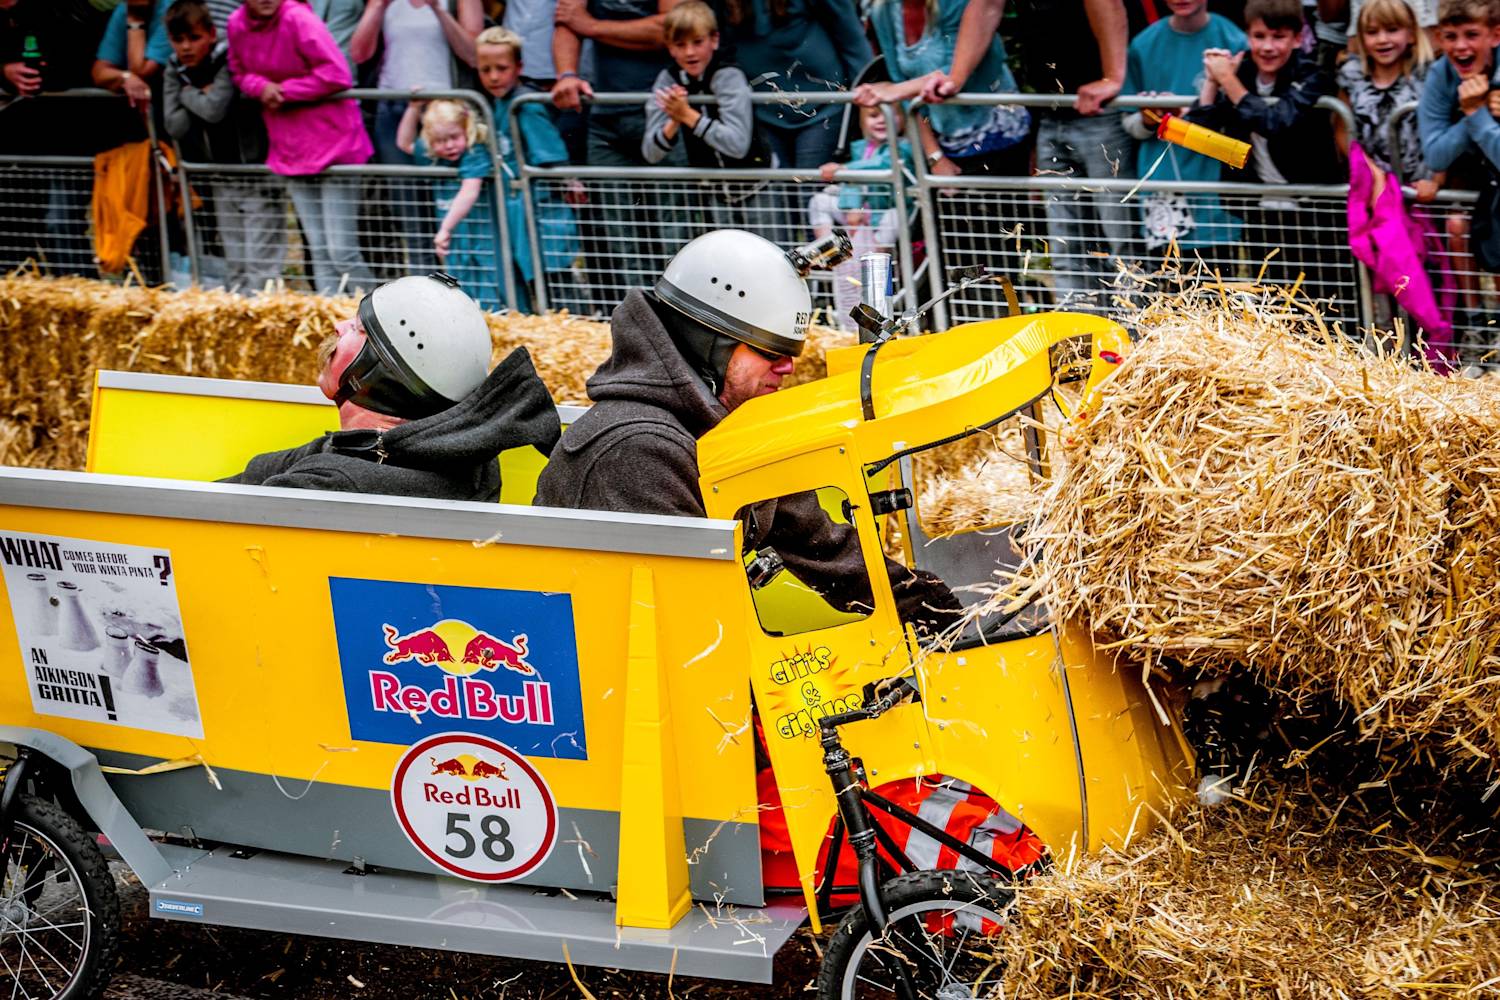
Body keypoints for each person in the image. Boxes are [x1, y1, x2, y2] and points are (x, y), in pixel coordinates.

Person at [533, 229, 963, 637]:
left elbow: (823, 549)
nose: (788, 367)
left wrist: (934, 607)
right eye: (769, 352)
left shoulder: (717, 430)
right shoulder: (637, 453)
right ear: (710, 346)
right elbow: (688, 627)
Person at [225, 273, 561, 498]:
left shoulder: (333, 485)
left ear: (377, 374)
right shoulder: (464, 454)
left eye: (358, 329)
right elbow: (319, 454)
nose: (338, 326)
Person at [923, 0, 1137, 309]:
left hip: (1101, 112)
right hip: (1050, 111)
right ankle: (1076, 338)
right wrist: (955, 78)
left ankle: (1138, 339)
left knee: (1121, 241)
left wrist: (1113, 77)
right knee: (1066, 247)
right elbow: (985, 6)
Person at [1187, 0, 1347, 304]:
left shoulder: (1312, 75)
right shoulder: (1242, 72)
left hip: (1313, 213)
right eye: (1260, 37)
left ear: (1298, 38)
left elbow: (1276, 121)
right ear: (1248, 37)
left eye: (1279, 37)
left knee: (1322, 302)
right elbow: (1200, 137)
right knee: (1272, 299)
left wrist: (1228, 81)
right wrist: (1211, 81)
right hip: (1260, 210)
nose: (1268, 47)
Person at [230, 0, 376, 296]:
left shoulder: (298, 18)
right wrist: (260, 87)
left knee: (341, 251)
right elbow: (239, 71)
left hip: (334, 143)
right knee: (319, 250)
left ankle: (380, 321)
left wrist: (284, 92)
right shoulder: (237, 24)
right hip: (291, 147)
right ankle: (332, 328)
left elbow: (337, 74)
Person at [351, 0, 483, 275]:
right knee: (409, 209)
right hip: (396, 109)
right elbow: (359, 54)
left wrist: (438, 10)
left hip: (448, 112)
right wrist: (376, 7)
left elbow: (474, 55)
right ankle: (425, 288)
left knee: (457, 204)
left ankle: (468, 285)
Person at [162, 0, 284, 294]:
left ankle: (265, 314)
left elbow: (216, 108)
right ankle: (241, 318)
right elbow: (174, 124)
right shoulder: (174, 68)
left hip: (254, 169)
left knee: (261, 260)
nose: (186, 48)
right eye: (178, 40)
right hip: (218, 172)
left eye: (194, 38)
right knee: (236, 260)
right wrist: (197, 95)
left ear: (211, 35)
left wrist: (186, 95)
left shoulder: (228, 60)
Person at [1119, 0, 1247, 253]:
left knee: (1222, 282)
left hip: (1217, 189)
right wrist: (1149, 119)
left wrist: (1189, 119)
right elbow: (1129, 121)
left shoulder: (1236, 40)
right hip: (1163, 185)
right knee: (1170, 286)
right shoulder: (1142, 45)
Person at [478, 25, 580, 312]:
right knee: (533, 275)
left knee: (553, 277)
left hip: (540, 209)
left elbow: (548, 149)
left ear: (518, 67)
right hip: (518, 209)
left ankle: (570, 323)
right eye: (485, 70)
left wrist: (568, 179)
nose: (494, 76)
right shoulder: (498, 103)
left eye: (501, 68)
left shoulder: (526, 105)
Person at [642, 1, 771, 229]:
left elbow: (737, 144)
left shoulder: (728, 74)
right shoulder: (667, 79)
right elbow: (650, 153)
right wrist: (673, 120)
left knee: (768, 256)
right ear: (670, 47)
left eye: (697, 42)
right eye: (680, 45)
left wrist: (687, 114)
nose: (689, 52)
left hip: (757, 188)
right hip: (713, 195)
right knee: (723, 261)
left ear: (714, 40)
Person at [1418, 0, 1500, 351]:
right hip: (1474, 177)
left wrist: (1475, 116)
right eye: (1451, 37)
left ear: (1495, 35)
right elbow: (1434, 152)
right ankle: (1477, 324)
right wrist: (1476, 115)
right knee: (1456, 226)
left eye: (1471, 35)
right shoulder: (1440, 74)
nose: (1461, 46)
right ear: (1438, 38)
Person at [723, 0, 871, 171]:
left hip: (820, 107)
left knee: (810, 188)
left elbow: (851, 36)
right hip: (762, 111)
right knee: (778, 193)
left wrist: (866, 87)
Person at [809, 103, 914, 331]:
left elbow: (883, 165)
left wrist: (844, 168)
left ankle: (876, 262)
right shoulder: (860, 147)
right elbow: (853, 183)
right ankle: (829, 251)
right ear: (863, 121)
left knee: (892, 218)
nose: (880, 121)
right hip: (865, 212)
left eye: (888, 116)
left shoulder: (904, 147)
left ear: (902, 119)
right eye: (873, 116)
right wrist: (851, 208)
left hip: (888, 211)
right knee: (819, 201)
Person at [397, 99, 502, 310]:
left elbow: (469, 190)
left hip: (482, 235)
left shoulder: (475, 152)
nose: (448, 145)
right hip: (455, 240)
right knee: (459, 284)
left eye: (454, 137)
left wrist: (445, 228)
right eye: (439, 140)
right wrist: (413, 109)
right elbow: (404, 143)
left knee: (493, 284)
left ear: (466, 129)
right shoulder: (434, 156)